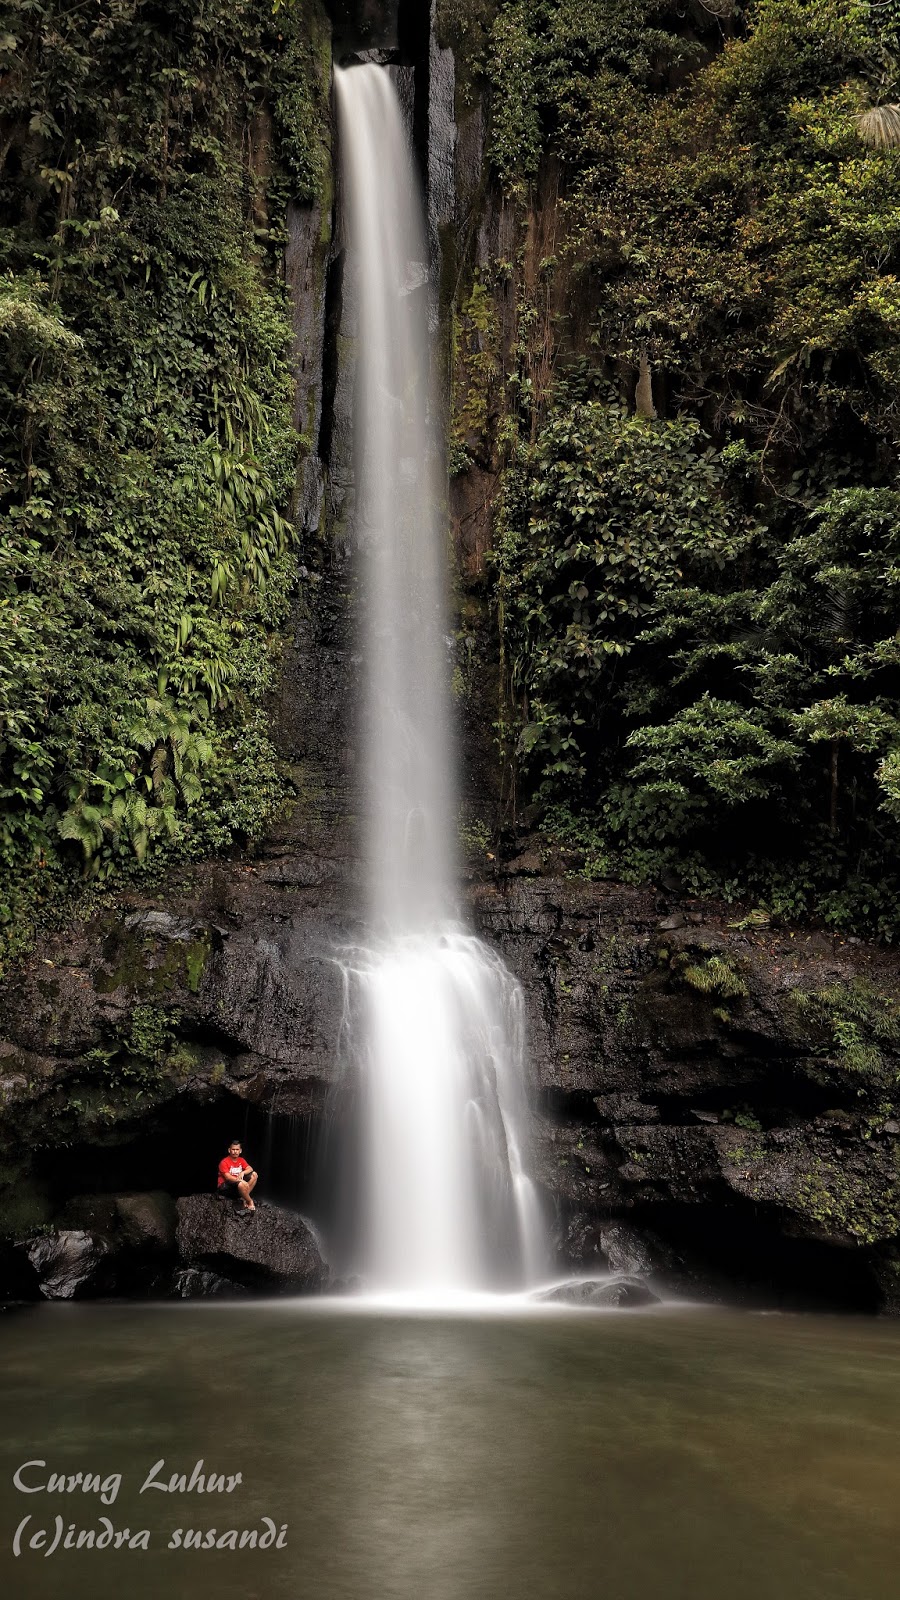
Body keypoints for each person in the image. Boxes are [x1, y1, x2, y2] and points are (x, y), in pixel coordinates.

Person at [217, 1140, 258, 1213]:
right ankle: (249, 1201)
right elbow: (228, 1177)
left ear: (240, 1151)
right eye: (233, 1149)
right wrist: (241, 1181)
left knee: (254, 1175)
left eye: (237, 1149)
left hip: (237, 1185)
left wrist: (243, 1172)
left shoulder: (241, 1160)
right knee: (241, 1184)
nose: (235, 1151)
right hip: (225, 1187)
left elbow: (250, 1168)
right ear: (229, 1150)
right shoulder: (224, 1162)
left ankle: (244, 1197)